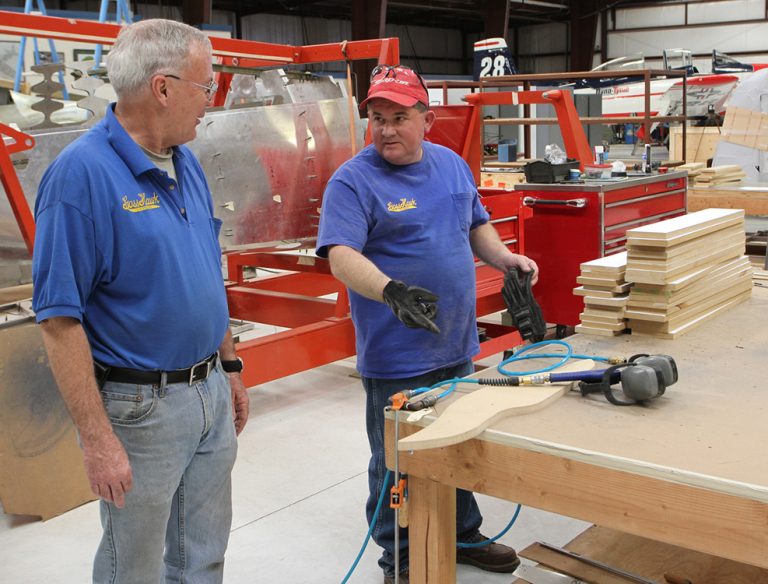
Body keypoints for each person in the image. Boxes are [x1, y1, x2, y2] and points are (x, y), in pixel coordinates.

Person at [31, 19, 249, 584]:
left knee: (202, 555)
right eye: (206, 86)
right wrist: (98, 441)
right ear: (164, 87)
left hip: (209, 393)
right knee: (135, 566)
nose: (210, 101)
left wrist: (231, 367)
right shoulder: (80, 176)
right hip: (141, 409)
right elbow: (58, 321)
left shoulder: (187, 161)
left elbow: (206, 269)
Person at [316, 64, 539, 584]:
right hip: (396, 353)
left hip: (457, 343)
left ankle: (462, 534)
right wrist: (389, 290)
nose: (387, 129)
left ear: (427, 119)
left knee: (456, 444)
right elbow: (340, 254)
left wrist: (506, 259)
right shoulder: (353, 180)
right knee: (397, 457)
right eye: (377, 117)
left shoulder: (451, 166)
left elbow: (476, 225)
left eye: (399, 117)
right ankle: (401, 553)